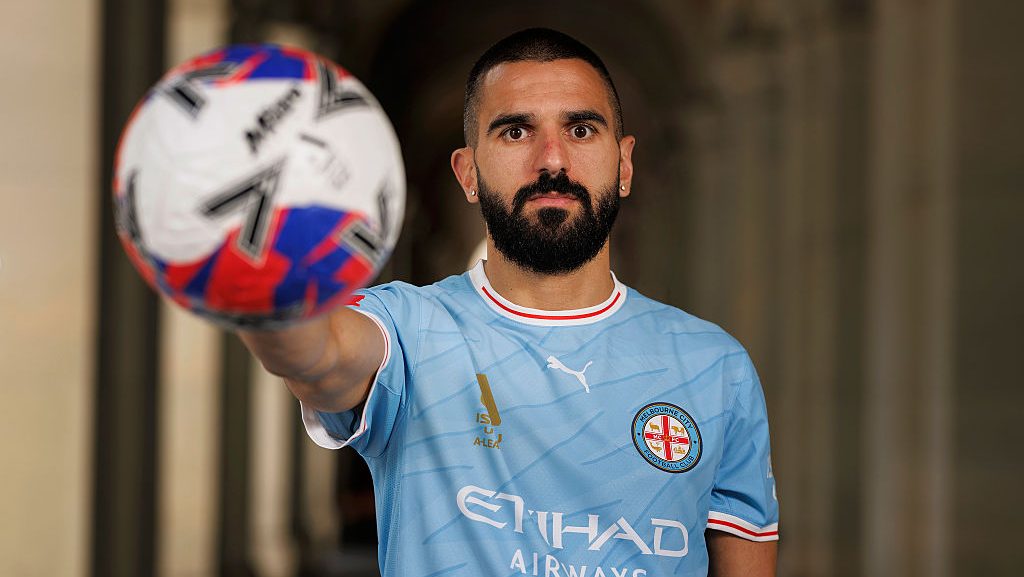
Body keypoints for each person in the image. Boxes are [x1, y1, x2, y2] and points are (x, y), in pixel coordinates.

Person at [240, 27, 779, 577]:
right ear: (468, 173)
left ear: (625, 165)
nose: (552, 160)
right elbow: (317, 354)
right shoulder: (409, 331)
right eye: (516, 131)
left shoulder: (715, 367)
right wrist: (244, 270)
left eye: (582, 128)